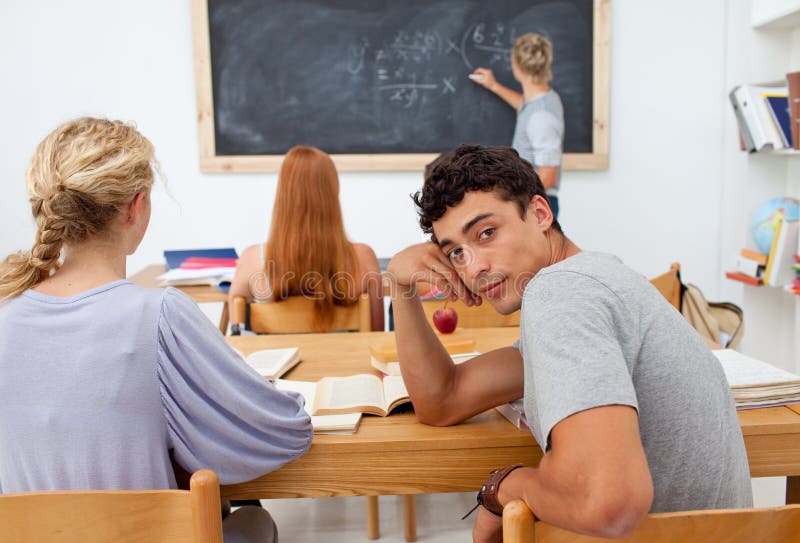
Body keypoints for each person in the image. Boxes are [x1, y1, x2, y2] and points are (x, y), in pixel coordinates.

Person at [386, 145, 752, 542]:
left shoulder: (560, 293)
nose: (473, 266)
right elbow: (444, 399)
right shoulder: (591, 279)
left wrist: (506, 486)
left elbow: (605, 503)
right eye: (456, 252)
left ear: (541, 214)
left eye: (487, 233)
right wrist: (399, 285)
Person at [0, 118, 312, 543]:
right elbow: (279, 431)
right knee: (255, 519)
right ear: (136, 205)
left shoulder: (6, 313)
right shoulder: (159, 314)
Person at [229, 145, 384, 332]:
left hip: (277, 361)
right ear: (333, 192)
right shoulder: (363, 258)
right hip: (343, 360)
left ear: (283, 194)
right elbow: (375, 335)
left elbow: (237, 331)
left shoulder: (252, 259)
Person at [471, 32, 564, 218]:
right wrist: (493, 86)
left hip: (535, 205)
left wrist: (512, 200)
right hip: (533, 201)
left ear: (517, 67)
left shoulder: (541, 116)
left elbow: (549, 174)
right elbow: (525, 107)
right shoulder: (543, 100)